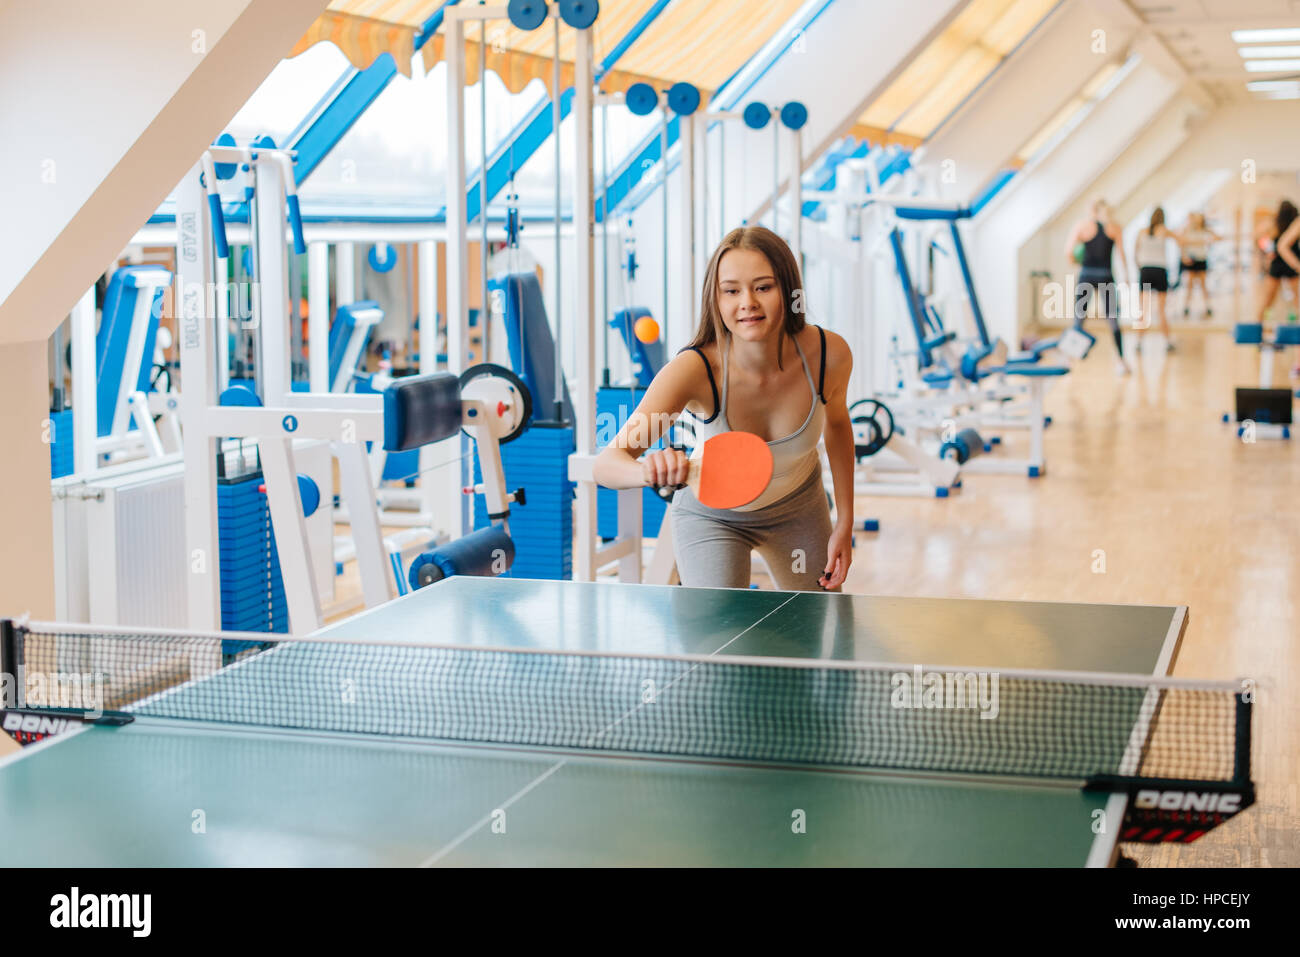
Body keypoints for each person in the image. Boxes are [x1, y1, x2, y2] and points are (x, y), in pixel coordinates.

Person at [592, 226, 856, 592]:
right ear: (715, 299)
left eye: (763, 287)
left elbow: (839, 427)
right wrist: (649, 471)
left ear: (790, 291)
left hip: (799, 508)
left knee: (817, 626)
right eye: (731, 291)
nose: (747, 301)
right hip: (712, 518)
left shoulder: (829, 355)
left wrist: (845, 521)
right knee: (718, 634)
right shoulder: (695, 369)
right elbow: (606, 464)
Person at [1065, 199, 1130, 374]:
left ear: (1091, 209)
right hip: (1106, 275)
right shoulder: (1115, 227)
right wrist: (1126, 276)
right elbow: (1122, 254)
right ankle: (1121, 361)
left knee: (1079, 318)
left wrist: (1074, 262)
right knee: (1112, 320)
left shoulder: (1082, 226)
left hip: (1087, 274)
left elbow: (1069, 251)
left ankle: (1069, 360)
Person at [1134, 206, 1175, 351]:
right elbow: (1181, 240)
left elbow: (1135, 254)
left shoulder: (1141, 232)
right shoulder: (1164, 231)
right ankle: (1168, 342)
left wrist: (1141, 268)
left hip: (1146, 270)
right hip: (1160, 271)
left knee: (1143, 310)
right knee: (1161, 310)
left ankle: (1139, 343)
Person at [1255, 200, 1300, 325]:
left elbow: (1258, 236)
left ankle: (1259, 327)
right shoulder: (1293, 223)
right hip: (1289, 260)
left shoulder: (1274, 223)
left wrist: (1267, 250)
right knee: (1295, 298)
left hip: (1279, 261)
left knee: (1268, 298)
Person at [1176, 212, 1220, 319]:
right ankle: (1186, 307)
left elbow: (1217, 237)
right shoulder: (1188, 229)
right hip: (1192, 259)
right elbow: (1181, 243)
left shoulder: (1205, 230)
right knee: (1190, 285)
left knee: (1203, 285)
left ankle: (1208, 306)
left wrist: (1210, 239)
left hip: (1201, 259)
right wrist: (1184, 256)